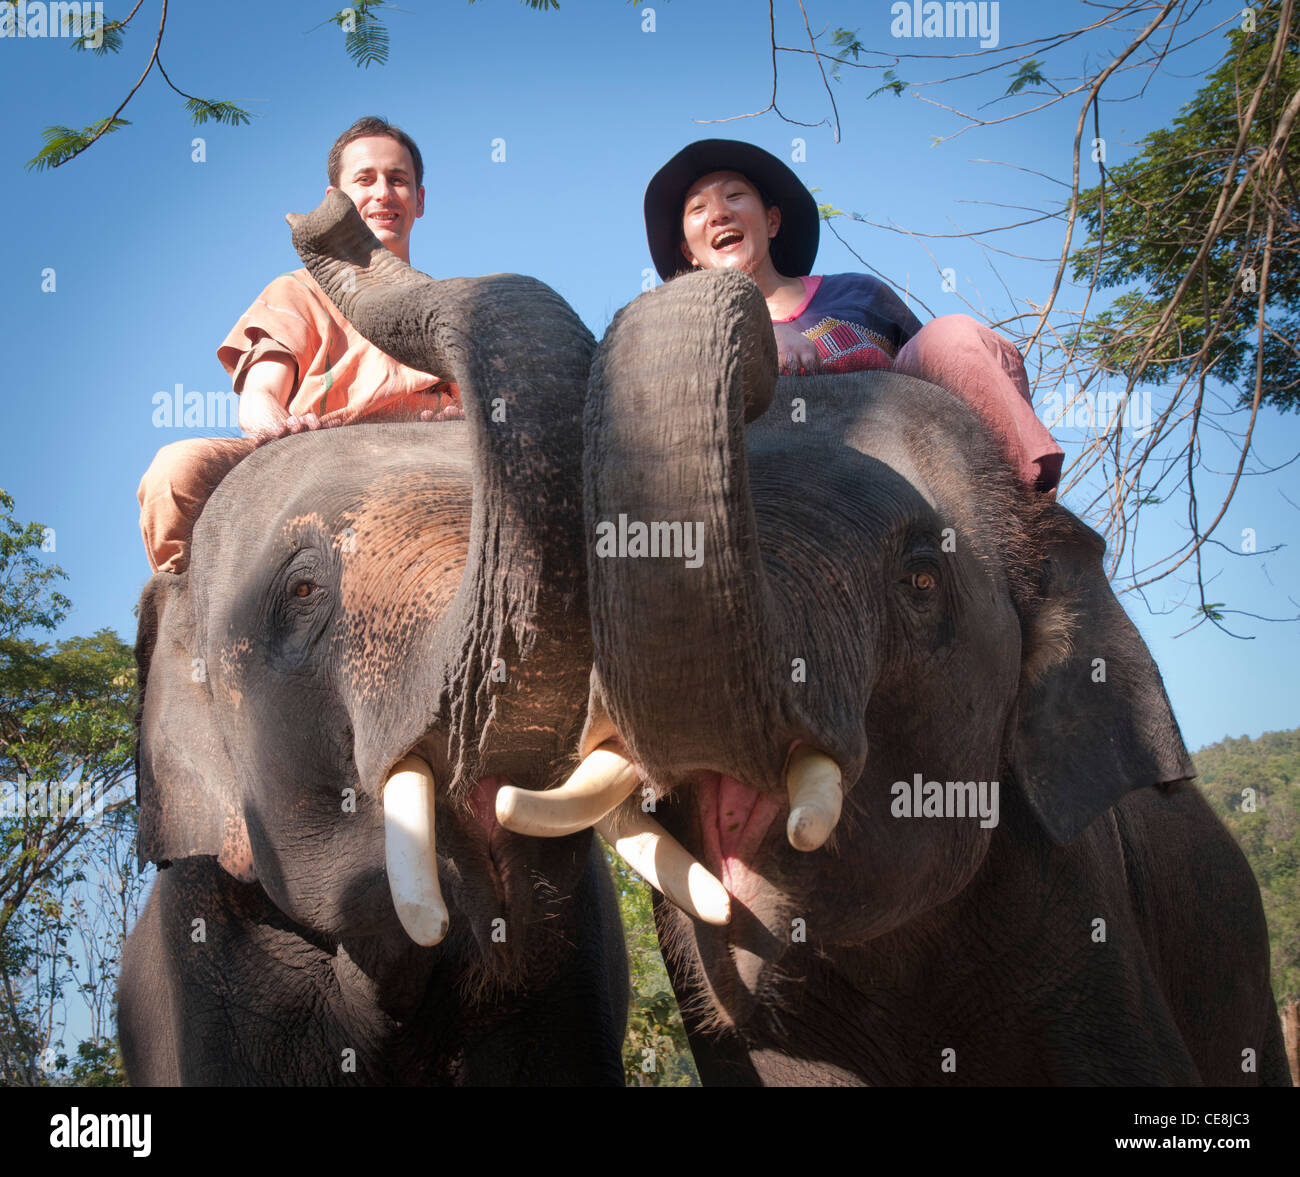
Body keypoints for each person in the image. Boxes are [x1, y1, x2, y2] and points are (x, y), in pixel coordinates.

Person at [644, 139, 1063, 495]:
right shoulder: (689, 333)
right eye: (698, 209)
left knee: (953, 335)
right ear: (689, 254)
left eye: (735, 196)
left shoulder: (858, 292)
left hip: (911, 461)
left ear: (772, 222)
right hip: (775, 487)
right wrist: (756, 336)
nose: (719, 213)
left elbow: (936, 367)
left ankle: (1023, 502)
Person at [137, 116, 460, 575]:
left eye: (399, 180)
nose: (383, 194)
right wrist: (279, 432)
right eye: (365, 180)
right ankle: (185, 619)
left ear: (419, 200)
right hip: (305, 455)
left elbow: (485, 413)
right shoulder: (296, 291)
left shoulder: (449, 307)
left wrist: (463, 423)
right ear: (336, 201)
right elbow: (260, 396)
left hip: (422, 457)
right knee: (174, 471)